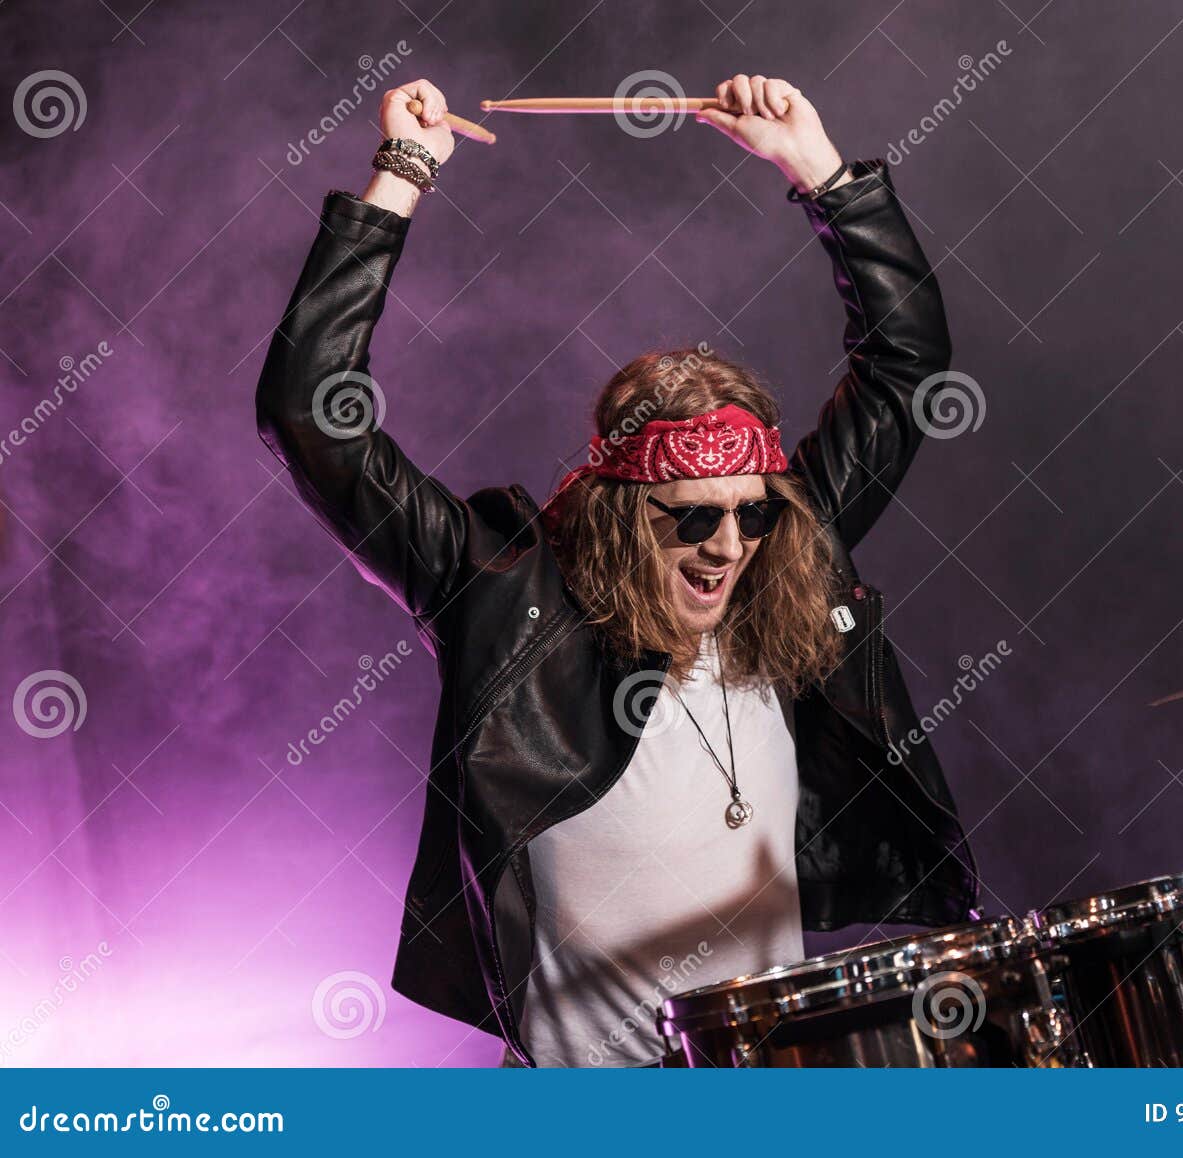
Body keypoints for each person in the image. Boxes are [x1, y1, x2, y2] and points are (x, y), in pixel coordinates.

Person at [256, 74, 977, 1067]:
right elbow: (310, 412)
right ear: (622, 510)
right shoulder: (507, 593)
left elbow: (905, 366)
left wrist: (818, 170)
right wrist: (403, 173)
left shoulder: (779, 563)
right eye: (691, 520)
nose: (729, 546)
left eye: (752, 513)